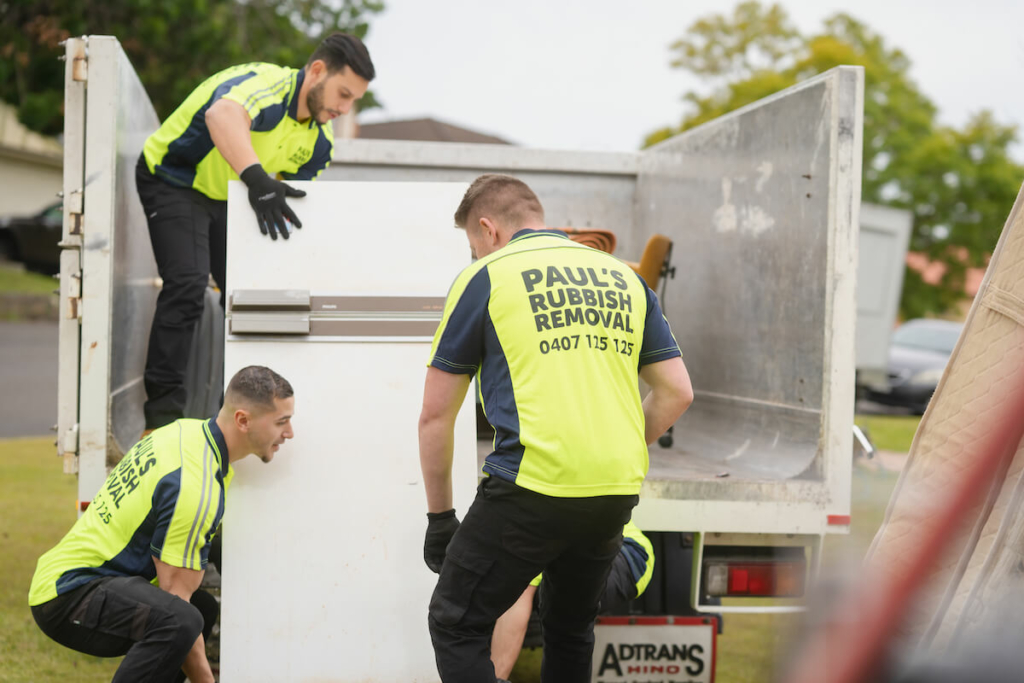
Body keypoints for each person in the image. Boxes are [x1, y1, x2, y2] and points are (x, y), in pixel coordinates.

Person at [418, 174, 693, 683]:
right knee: (570, 629)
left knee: (455, 623)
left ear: (489, 229)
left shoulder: (487, 276)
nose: (475, 255)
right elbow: (678, 391)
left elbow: (436, 414)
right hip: (614, 488)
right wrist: (620, 446)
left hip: (531, 482)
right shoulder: (624, 277)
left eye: (473, 245)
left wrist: (440, 518)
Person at [138, 32, 374, 432]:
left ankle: (230, 417)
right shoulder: (267, 86)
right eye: (343, 94)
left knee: (250, 300)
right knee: (189, 285)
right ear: (317, 71)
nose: (345, 108)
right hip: (174, 178)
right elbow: (221, 116)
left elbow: (290, 199)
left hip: (228, 196)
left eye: (354, 101)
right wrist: (258, 180)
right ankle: (161, 418)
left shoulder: (319, 142)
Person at [29, 366, 295, 683]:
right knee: (180, 620)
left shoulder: (187, 433)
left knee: (202, 609)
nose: (289, 433)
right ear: (242, 420)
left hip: (82, 580)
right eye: (281, 422)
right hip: (68, 594)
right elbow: (176, 602)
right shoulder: (195, 487)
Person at [490, 520, 655, 682]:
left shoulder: (526, 523)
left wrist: (496, 677)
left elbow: (518, 600)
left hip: (626, 550)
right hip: (567, 553)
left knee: (564, 603)